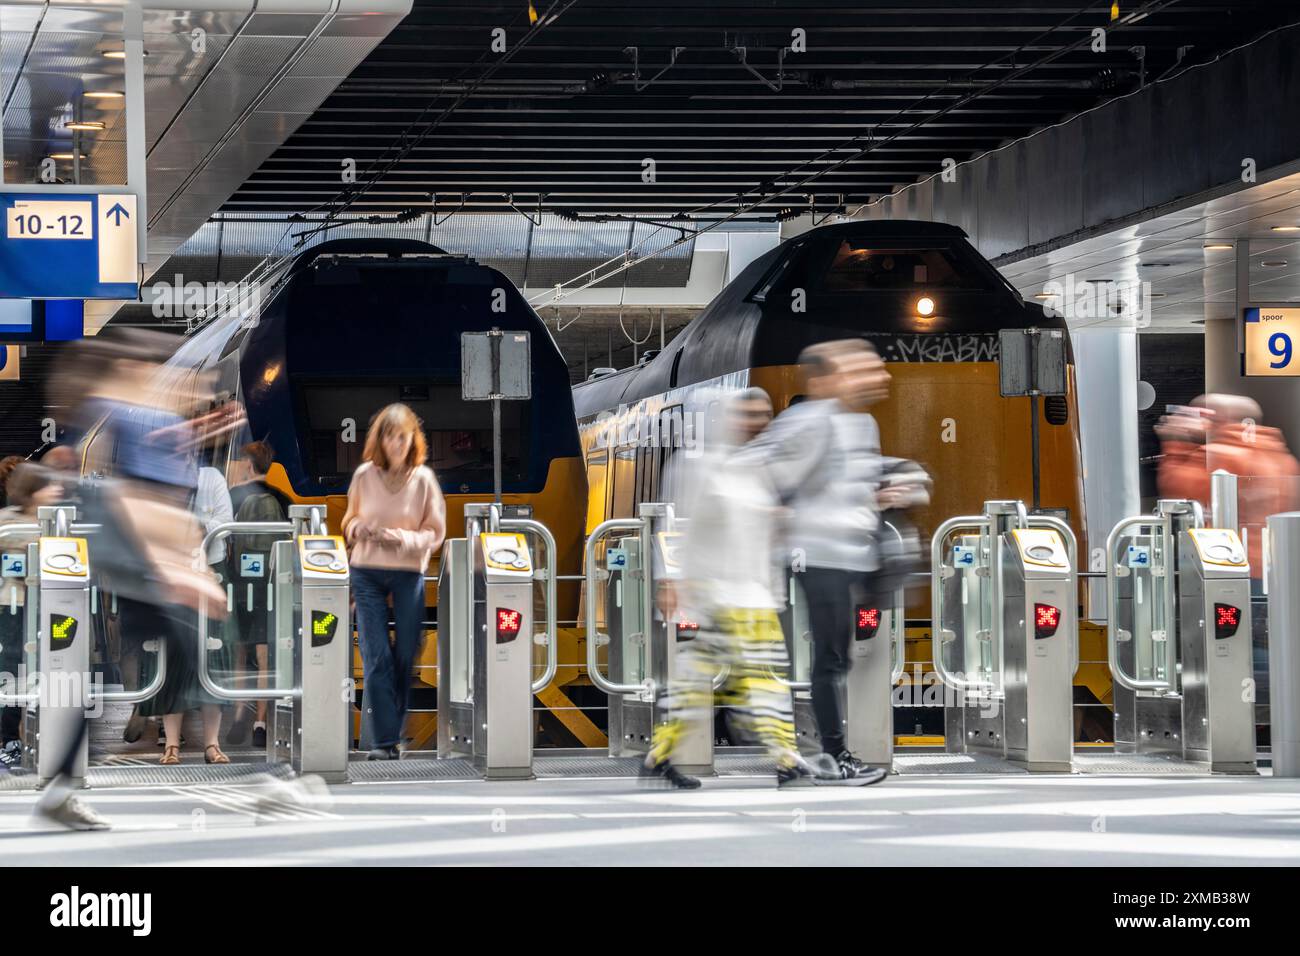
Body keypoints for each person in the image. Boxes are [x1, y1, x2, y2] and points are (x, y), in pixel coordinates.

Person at [740, 339, 929, 779]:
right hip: (816, 556)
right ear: (827, 379)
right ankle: (832, 756)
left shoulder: (861, 424)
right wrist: (777, 508)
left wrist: (891, 489)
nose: (878, 378)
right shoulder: (807, 422)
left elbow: (851, 482)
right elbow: (760, 468)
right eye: (863, 370)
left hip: (852, 557)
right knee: (828, 660)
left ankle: (803, 755)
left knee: (834, 658)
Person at [646, 389, 833, 788]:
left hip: (748, 594)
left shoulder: (756, 468)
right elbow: (675, 526)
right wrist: (671, 581)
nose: (757, 421)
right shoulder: (696, 466)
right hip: (717, 593)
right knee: (761, 680)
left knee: (703, 681)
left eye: (764, 413)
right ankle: (786, 758)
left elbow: (764, 532)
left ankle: (659, 755)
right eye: (748, 413)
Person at [342, 404, 445, 761]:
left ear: (413, 439)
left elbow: (435, 533)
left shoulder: (424, 480)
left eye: (403, 436)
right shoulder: (364, 477)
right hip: (366, 570)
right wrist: (362, 529)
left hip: (408, 573)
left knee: (404, 654)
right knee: (375, 654)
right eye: (390, 436)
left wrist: (401, 539)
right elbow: (349, 522)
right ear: (380, 440)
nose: (397, 443)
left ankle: (392, 733)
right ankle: (386, 742)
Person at [225, 441, 291, 748]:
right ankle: (261, 723)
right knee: (265, 656)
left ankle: (240, 713)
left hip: (239, 585)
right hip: (271, 585)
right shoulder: (283, 498)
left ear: (248, 466)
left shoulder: (234, 498)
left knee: (240, 651)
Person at [0, 465, 65, 770]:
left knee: (53, 669)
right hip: (14, 608)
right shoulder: (7, 521)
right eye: (48, 485)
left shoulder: (60, 521)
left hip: (53, 608)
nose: (56, 490)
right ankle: (9, 740)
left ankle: (52, 740)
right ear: (32, 490)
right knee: (13, 671)